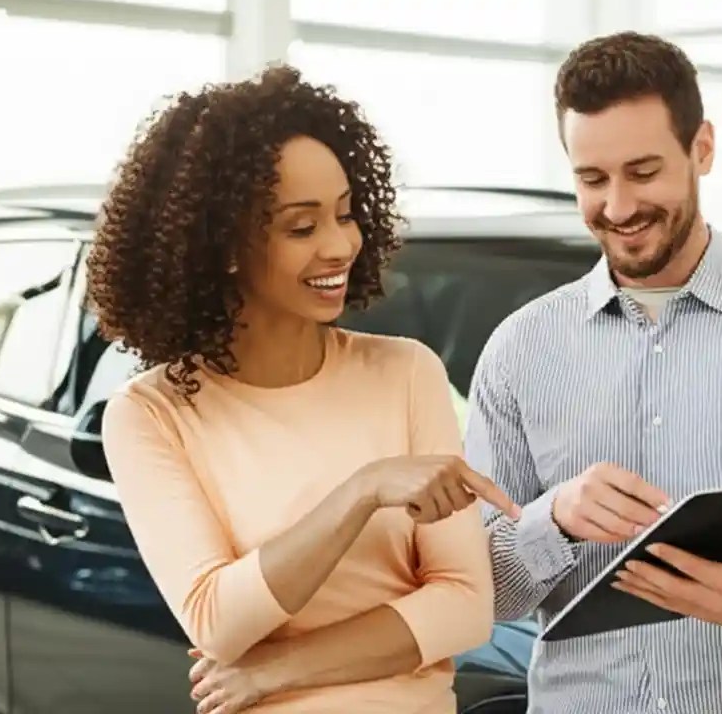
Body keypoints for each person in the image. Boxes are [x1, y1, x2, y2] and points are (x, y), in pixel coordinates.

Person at [465, 31, 722, 712]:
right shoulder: (520, 348)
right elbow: (482, 590)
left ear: (702, 149)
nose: (619, 207)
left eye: (643, 172)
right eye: (592, 179)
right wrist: (554, 517)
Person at [87, 64, 520, 714]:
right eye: (301, 227)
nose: (341, 245)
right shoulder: (151, 414)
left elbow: (464, 606)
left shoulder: (406, 373)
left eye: (345, 215)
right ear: (224, 246)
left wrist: (278, 669)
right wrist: (363, 490)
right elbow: (216, 619)